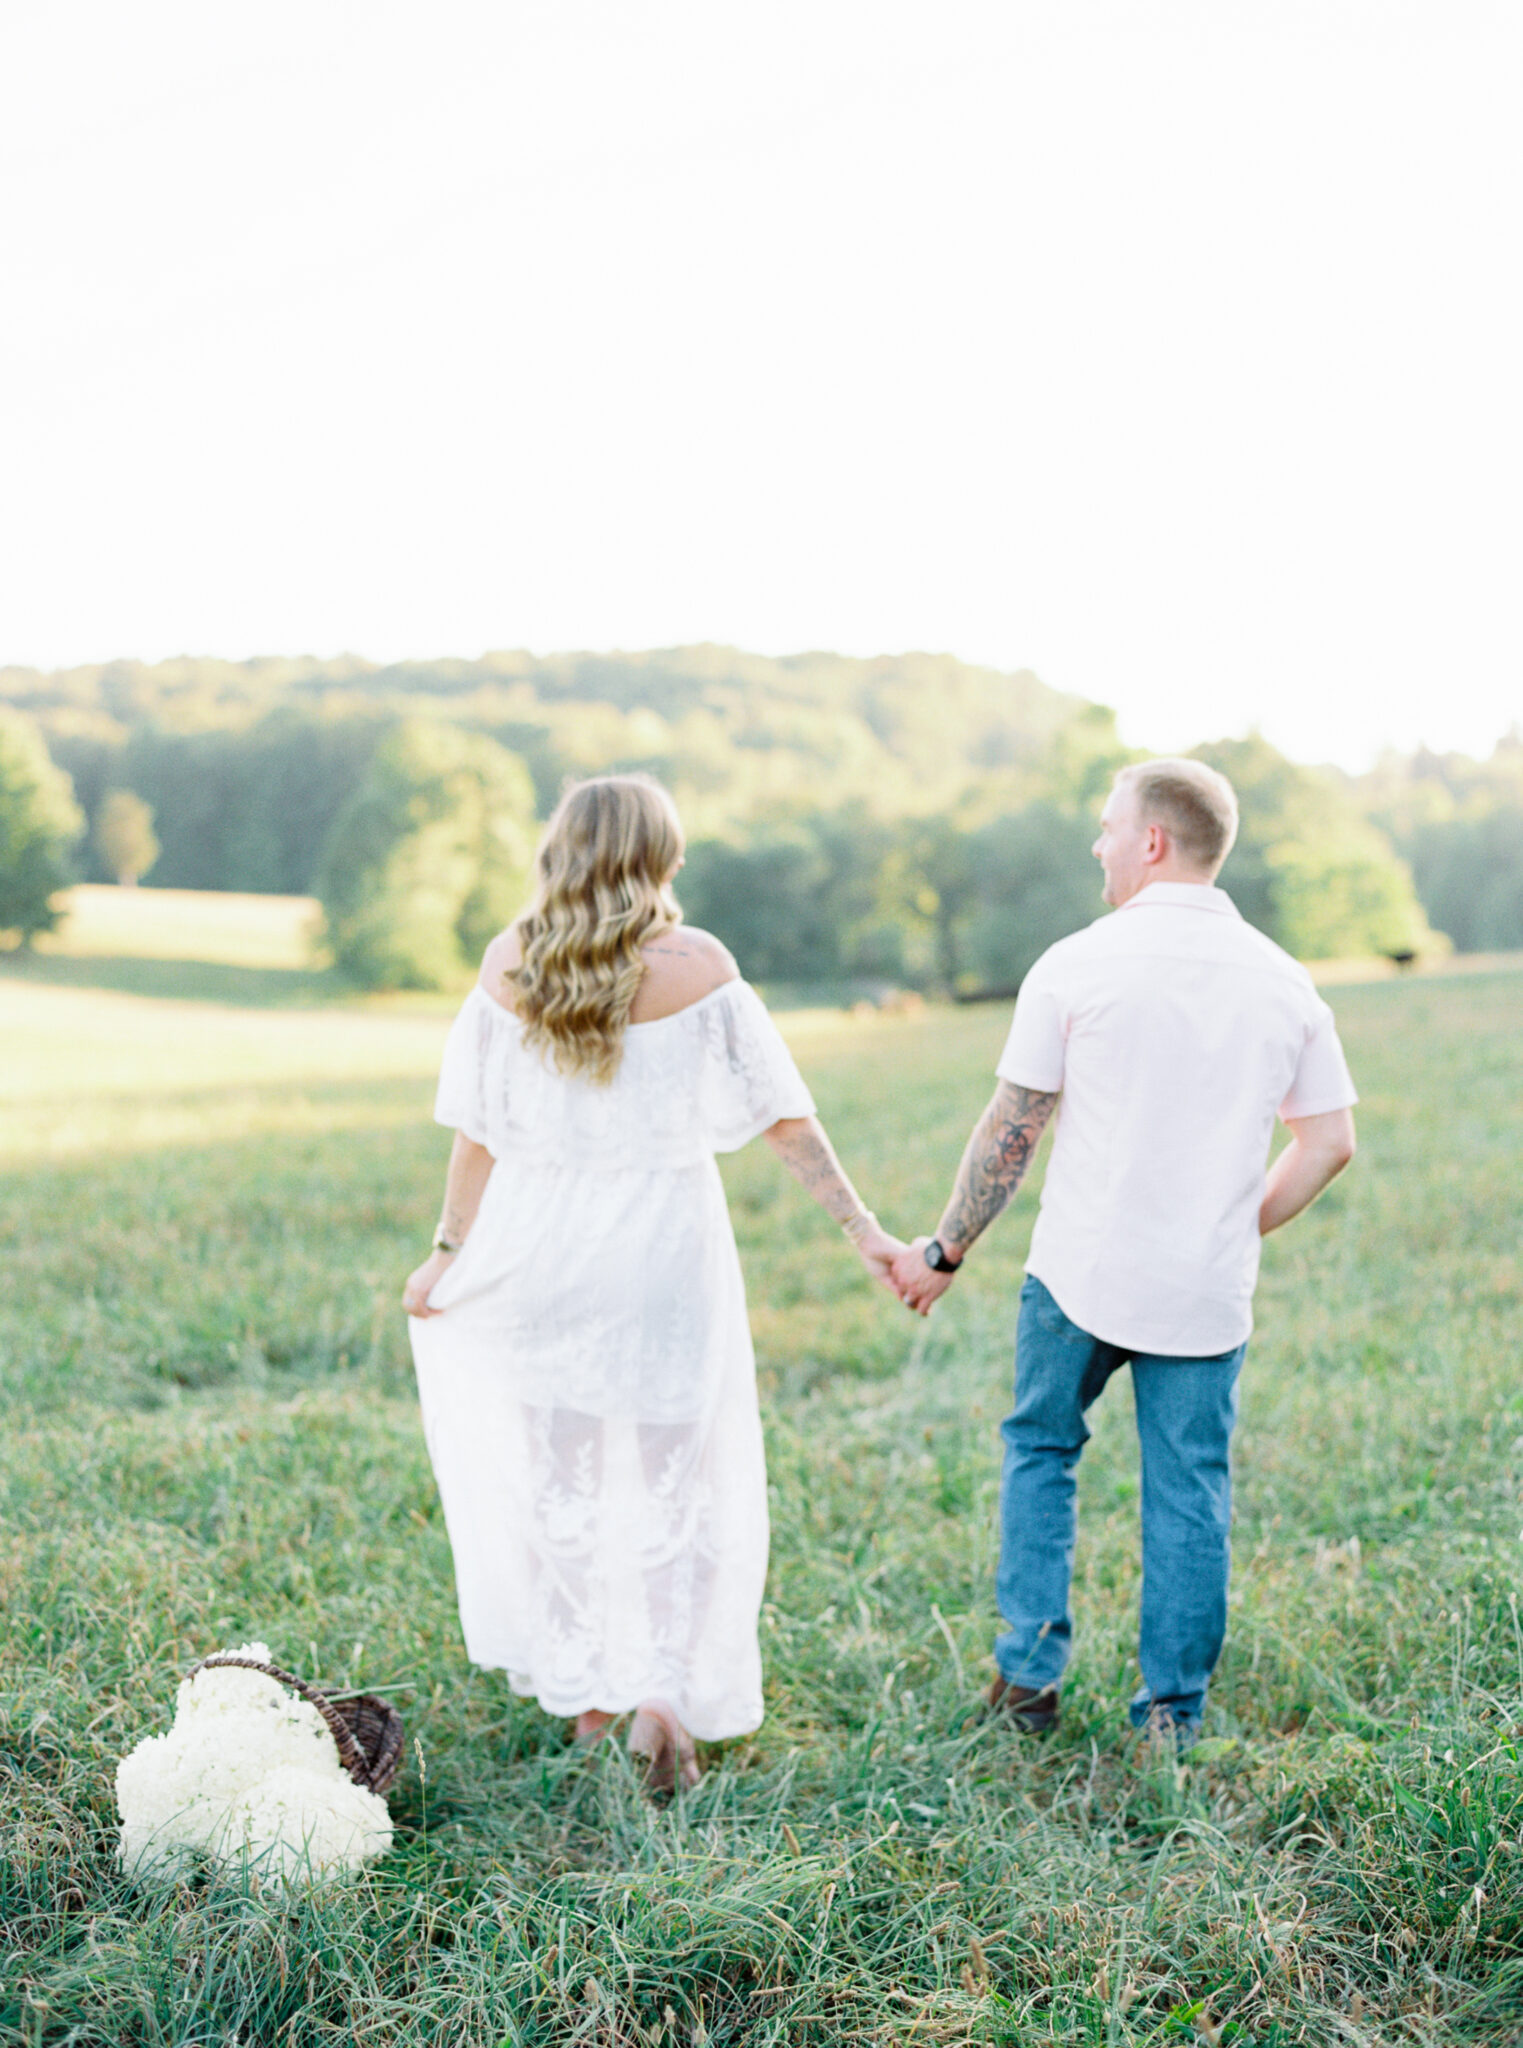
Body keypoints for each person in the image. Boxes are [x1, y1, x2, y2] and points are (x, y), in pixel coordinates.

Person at [403, 774, 902, 1790]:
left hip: (540, 1252)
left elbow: (477, 1135)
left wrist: (448, 1251)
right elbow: (785, 1118)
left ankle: (591, 1702)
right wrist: (863, 1230)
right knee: (679, 1482)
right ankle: (665, 1699)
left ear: (560, 851)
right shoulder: (699, 966)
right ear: (662, 857)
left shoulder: (508, 962)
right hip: (663, 1251)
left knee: (565, 1482)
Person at [891, 758, 1358, 1749]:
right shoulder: (1283, 980)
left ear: (1150, 840)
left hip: (1078, 1276)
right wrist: (1234, 1223)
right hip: (1204, 1290)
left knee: (1040, 1450)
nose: (1096, 844)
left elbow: (1012, 1127)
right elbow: (1328, 1142)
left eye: (1107, 827)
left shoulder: (1075, 963)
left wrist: (944, 1249)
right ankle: (1169, 1718)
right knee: (1189, 1491)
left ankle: (1026, 1679)